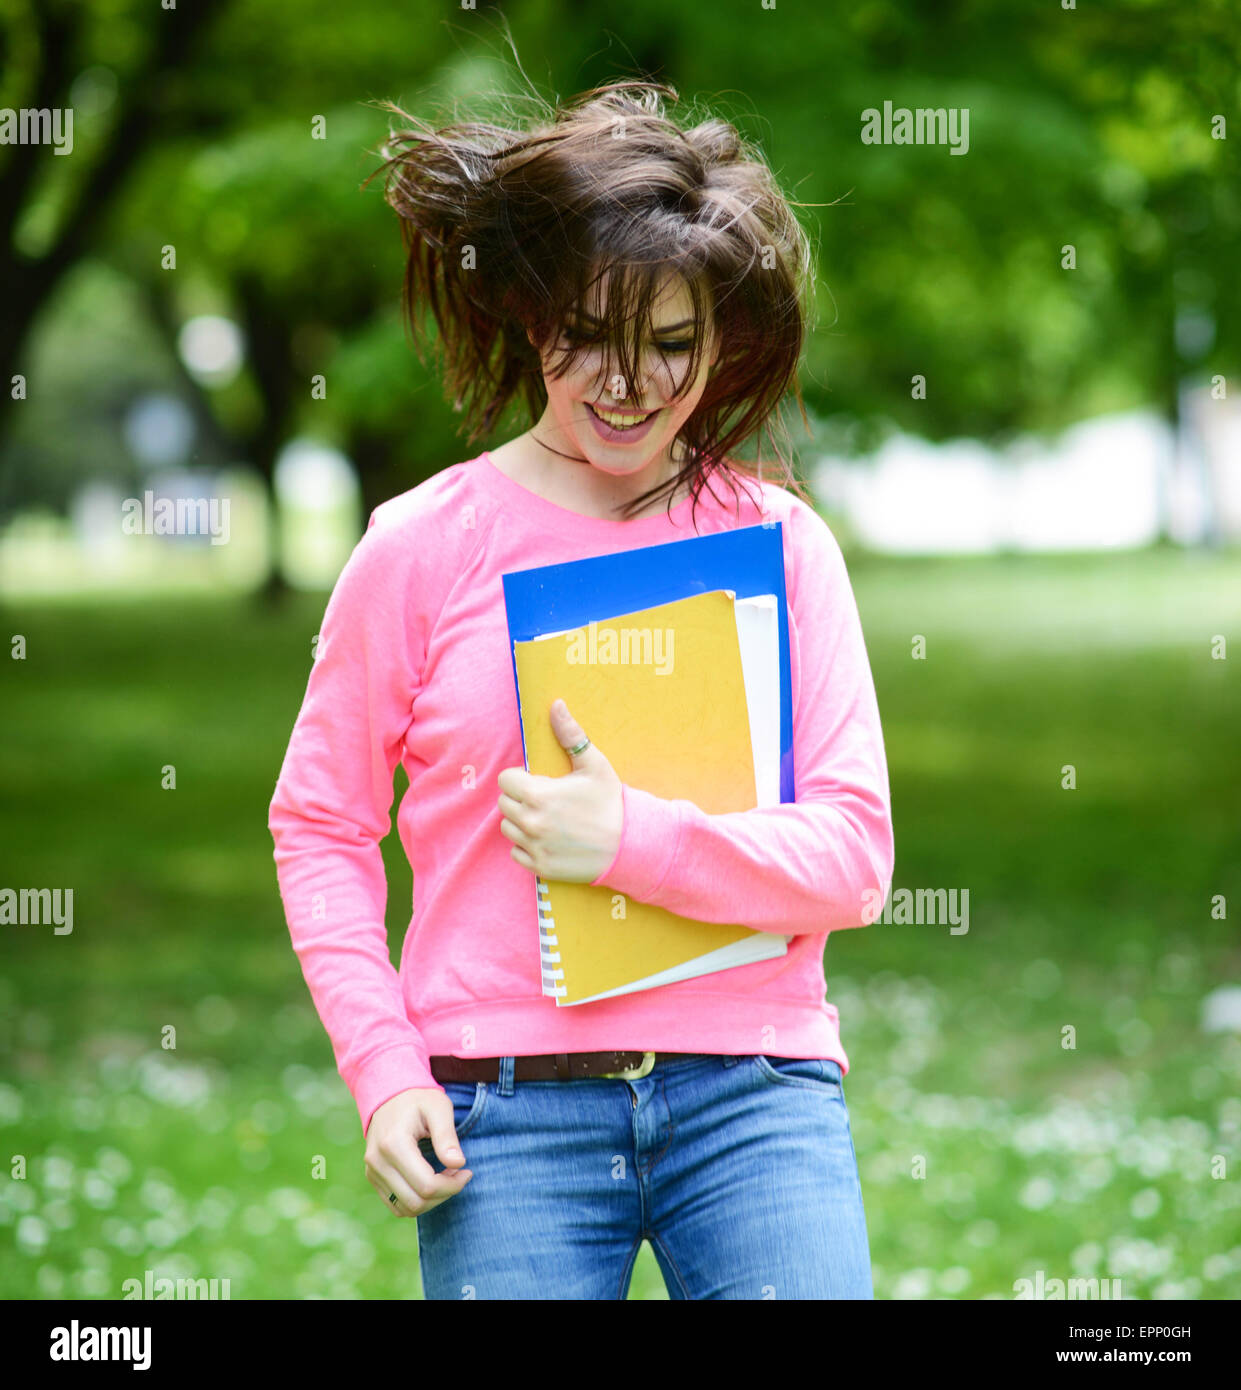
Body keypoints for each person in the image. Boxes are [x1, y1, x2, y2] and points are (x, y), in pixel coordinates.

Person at [268, 78, 894, 1300]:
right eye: (589, 334)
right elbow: (322, 824)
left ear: (726, 339)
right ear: (525, 313)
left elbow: (855, 857)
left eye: (672, 344)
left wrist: (629, 842)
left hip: (751, 1092)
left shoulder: (779, 545)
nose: (630, 382)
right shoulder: (418, 545)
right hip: (504, 1114)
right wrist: (387, 1072)